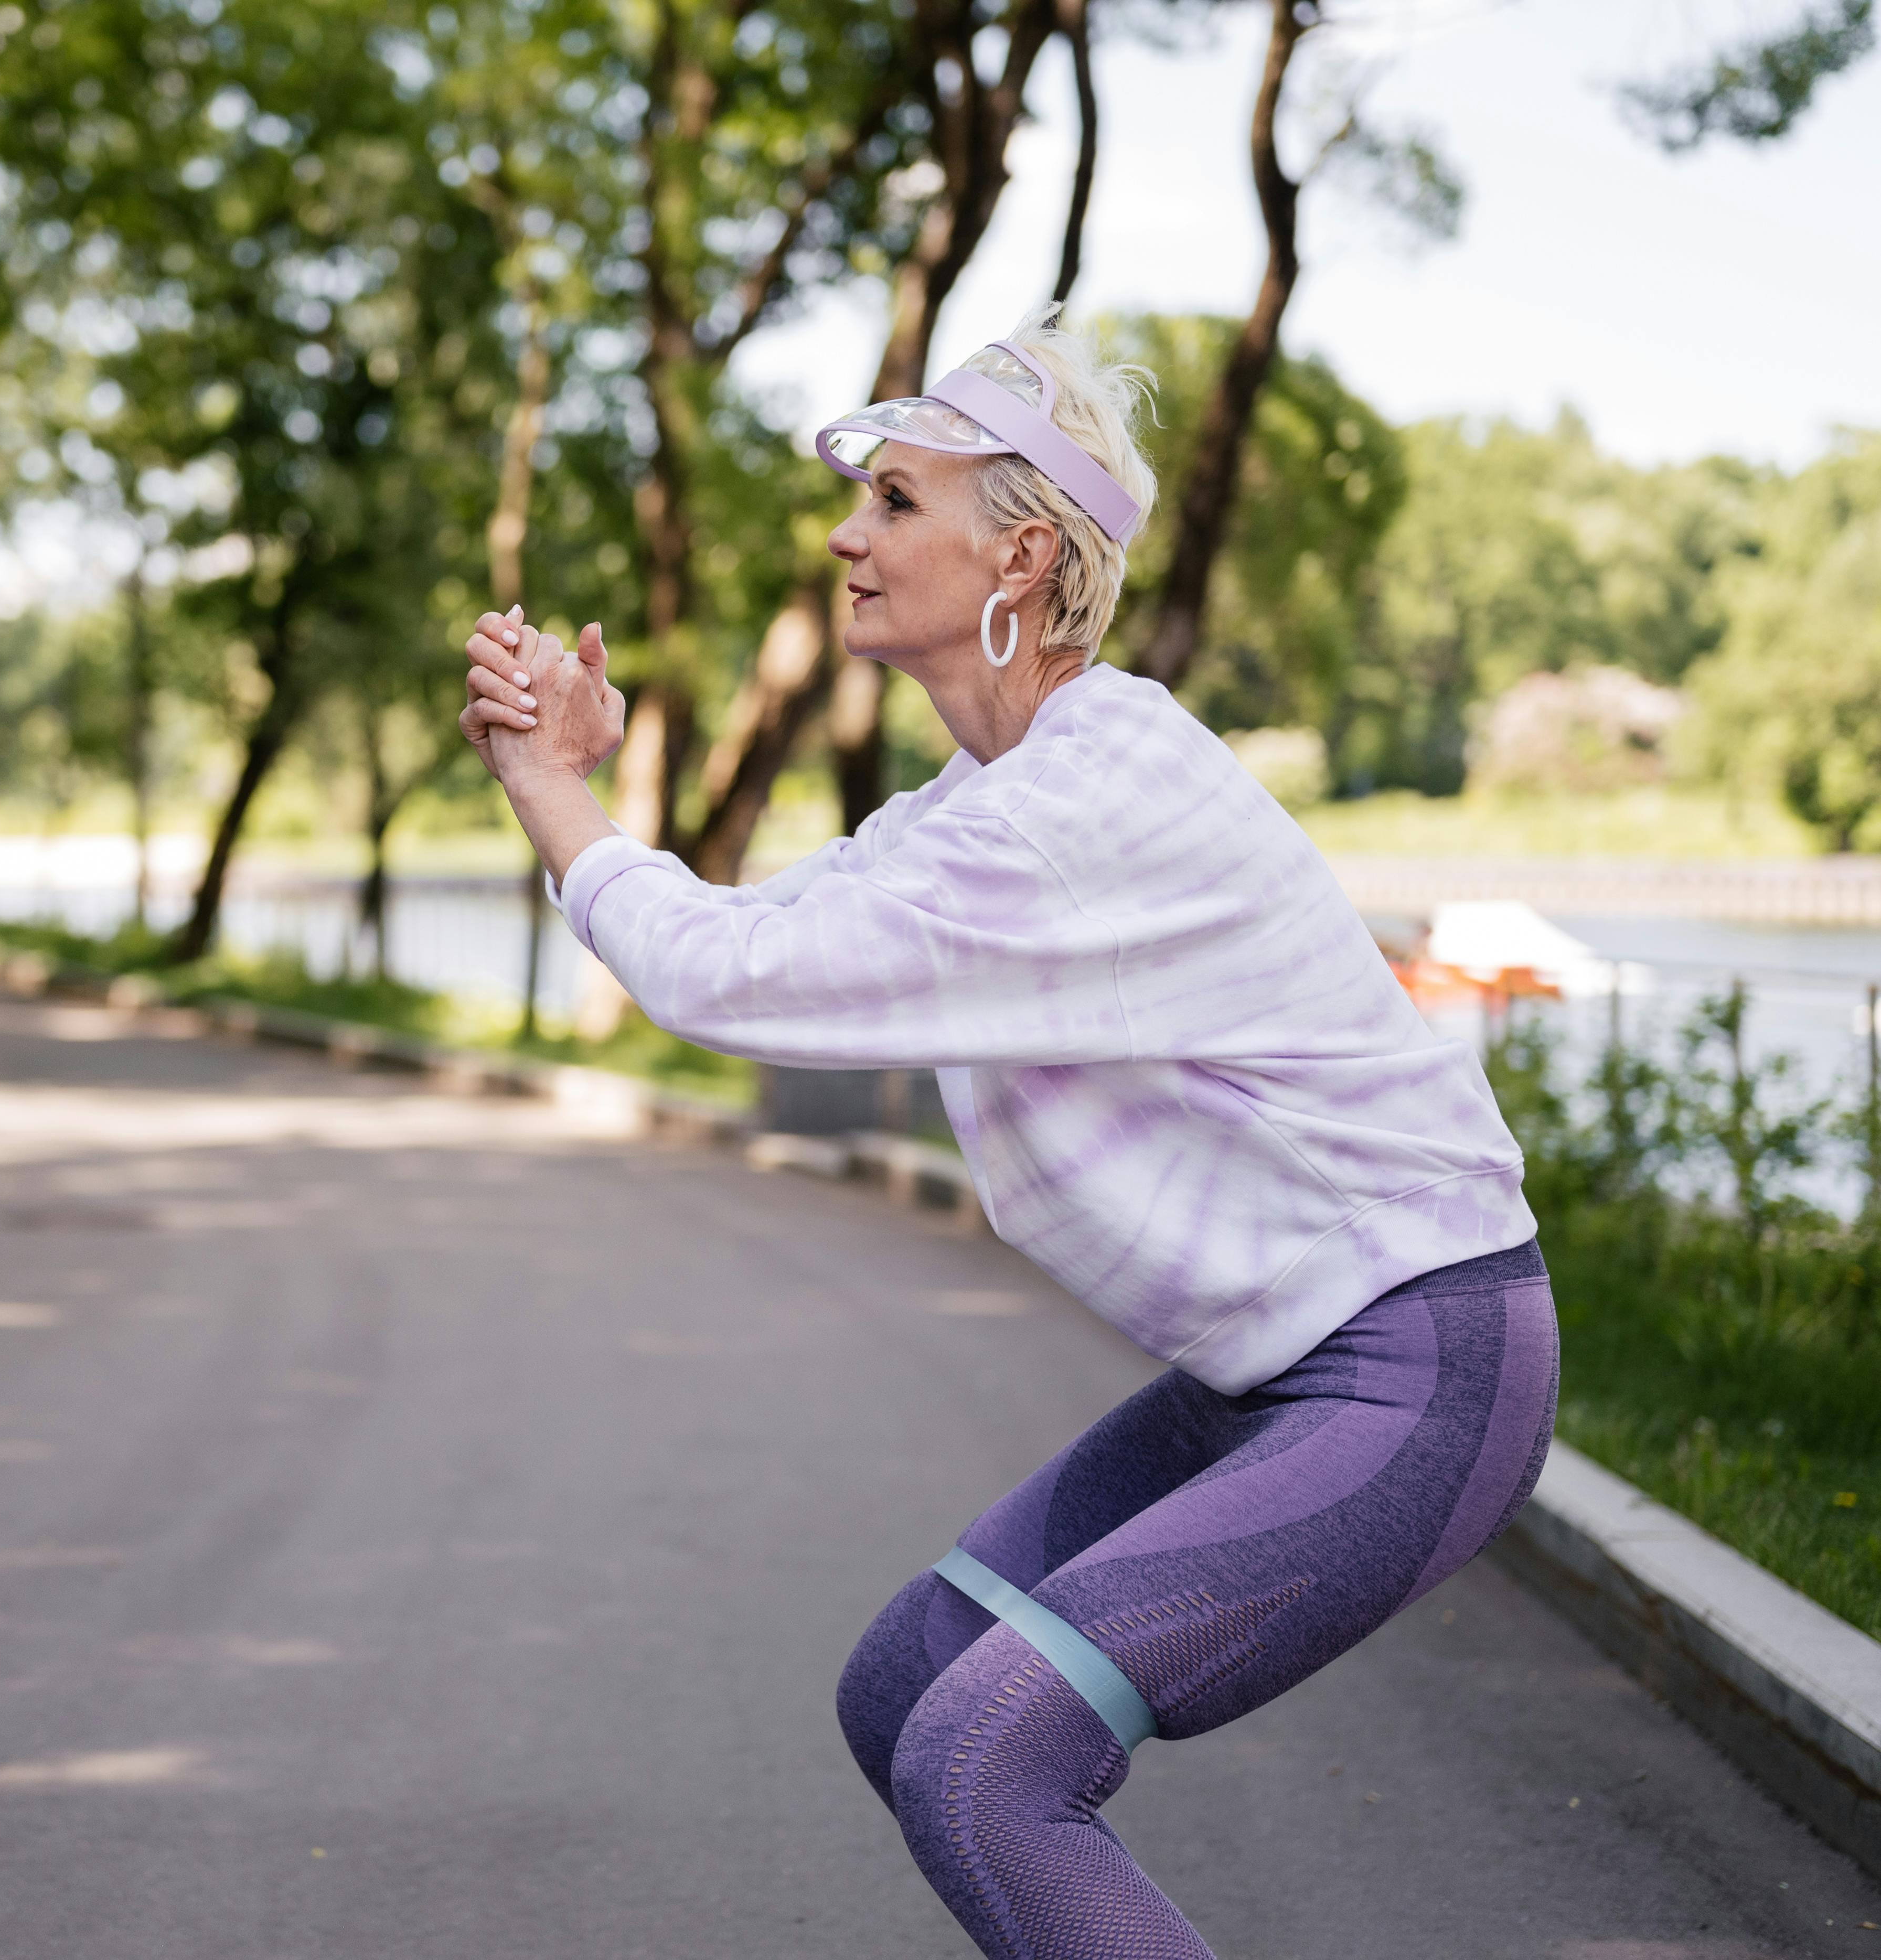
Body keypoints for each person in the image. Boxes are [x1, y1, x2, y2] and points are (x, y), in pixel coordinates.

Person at [453, 309, 1554, 1959]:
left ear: (1019, 556)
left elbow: (716, 975)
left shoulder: (1080, 809)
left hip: (1416, 1368)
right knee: (908, 1690)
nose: (845, 533)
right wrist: (583, 788)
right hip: (1284, 1377)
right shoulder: (984, 806)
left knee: (983, 1762)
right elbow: (743, 936)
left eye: (895, 501)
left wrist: (552, 787)